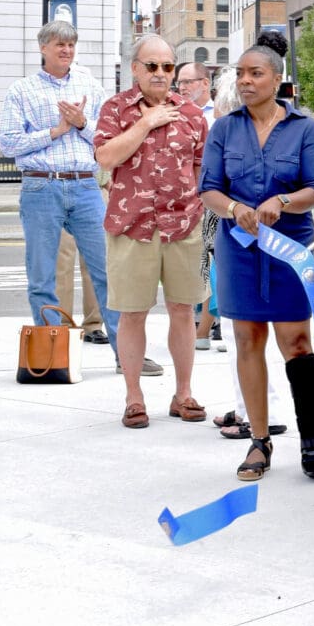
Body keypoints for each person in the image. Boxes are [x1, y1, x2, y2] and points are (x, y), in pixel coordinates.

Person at [199, 31, 314, 482]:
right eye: (240, 74)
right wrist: (236, 209)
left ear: (277, 79)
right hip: (239, 251)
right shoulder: (224, 129)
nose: (245, 81)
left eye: (255, 73)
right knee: (247, 340)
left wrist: (284, 202)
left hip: (289, 251)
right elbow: (209, 190)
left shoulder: (304, 128)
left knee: (297, 342)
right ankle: (259, 440)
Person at [94, 35, 209, 429]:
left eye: (168, 67)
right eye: (153, 66)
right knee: (132, 313)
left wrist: (195, 212)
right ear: (136, 69)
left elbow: (200, 168)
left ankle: (184, 393)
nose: (161, 73)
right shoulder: (115, 110)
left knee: (183, 310)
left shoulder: (193, 114)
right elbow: (106, 156)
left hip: (183, 226)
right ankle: (134, 397)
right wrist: (145, 122)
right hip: (132, 226)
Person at [0, 21, 119, 355]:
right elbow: (7, 143)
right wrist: (53, 132)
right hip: (41, 187)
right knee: (42, 278)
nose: (66, 50)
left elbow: (108, 138)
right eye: (58, 44)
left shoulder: (89, 86)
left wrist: (80, 124)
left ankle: (126, 355)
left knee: (107, 271)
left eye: (70, 45)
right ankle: (51, 355)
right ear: (43, 48)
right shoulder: (21, 91)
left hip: (84, 186)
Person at [175, 63, 225, 352]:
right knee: (191, 262)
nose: (182, 88)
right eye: (179, 83)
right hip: (183, 200)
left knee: (212, 259)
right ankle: (199, 318)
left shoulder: (221, 116)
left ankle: (212, 321)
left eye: (188, 82)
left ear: (205, 84)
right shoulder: (174, 115)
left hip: (213, 198)